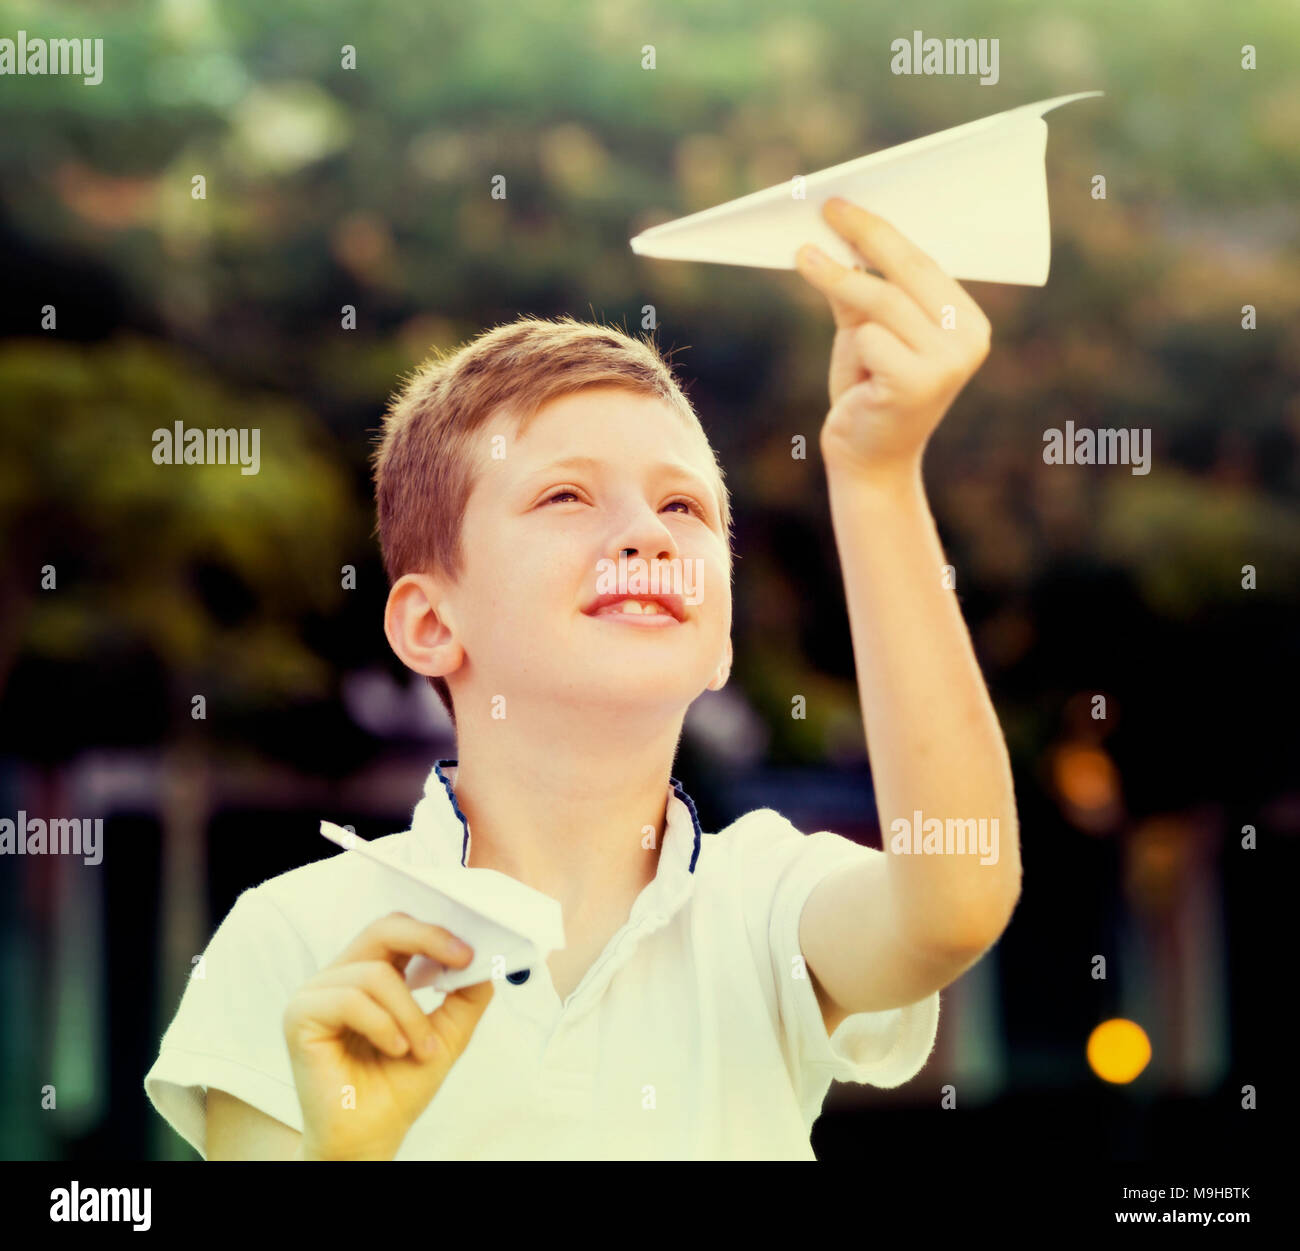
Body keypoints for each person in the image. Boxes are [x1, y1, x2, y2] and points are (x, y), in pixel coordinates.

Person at [144, 198, 1021, 1160]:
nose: (647, 532)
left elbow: (957, 901)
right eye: (565, 493)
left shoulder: (768, 901)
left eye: (683, 503)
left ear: (722, 639)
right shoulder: (296, 938)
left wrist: (877, 472)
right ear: (431, 623)